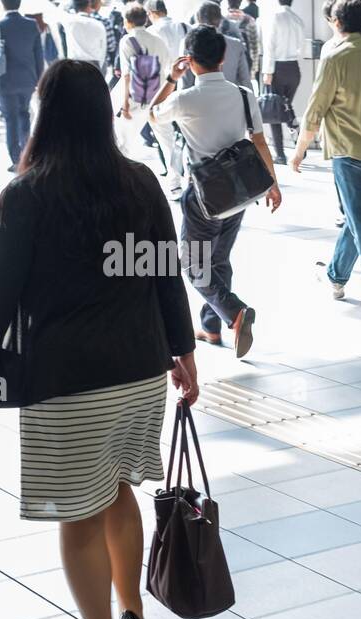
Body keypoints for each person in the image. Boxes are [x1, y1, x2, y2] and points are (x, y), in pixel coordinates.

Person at [0, 60, 199, 619]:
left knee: (77, 514)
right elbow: (167, 275)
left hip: (67, 384)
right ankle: (133, 614)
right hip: (140, 372)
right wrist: (184, 352)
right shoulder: (141, 182)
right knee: (118, 492)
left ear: (46, 113)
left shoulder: (27, 194)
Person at [149, 25, 279, 354]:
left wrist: (170, 79)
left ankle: (234, 313)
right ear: (223, 57)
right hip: (241, 192)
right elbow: (260, 142)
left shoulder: (184, 98)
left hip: (205, 196)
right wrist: (273, 186)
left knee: (193, 265)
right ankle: (211, 326)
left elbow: (152, 116)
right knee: (218, 260)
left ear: (189, 60)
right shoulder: (242, 94)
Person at [293, 0, 361, 318]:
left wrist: (299, 151)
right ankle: (335, 276)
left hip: (348, 152)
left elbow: (315, 109)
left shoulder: (335, 55)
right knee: (360, 218)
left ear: (338, 22)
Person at [0, 0, 43, 172]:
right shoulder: (31, 24)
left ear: (2, 5)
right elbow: (38, 55)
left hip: (5, 82)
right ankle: (27, 156)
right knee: (24, 115)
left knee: (11, 119)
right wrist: (39, 79)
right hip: (28, 80)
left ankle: (16, 160)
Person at [113, 3, 172, 160]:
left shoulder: (127, 40)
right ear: (146, 20)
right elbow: (167, 68)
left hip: (135, 98)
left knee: (123, 143)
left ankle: (121, 177)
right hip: (157, 97)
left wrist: (124, 105)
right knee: (167, 142)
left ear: (128, 21)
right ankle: (175, 181)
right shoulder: (158, 40)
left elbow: (126, 75)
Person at [260, 0, 304, 164]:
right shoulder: (297, 19)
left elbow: (269, 46)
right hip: (294, 68)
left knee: (274, 110)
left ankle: (280, 154)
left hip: (277, 67)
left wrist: (268, 71)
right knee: (286, 108)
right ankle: (301, 145)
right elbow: (301, 47)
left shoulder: (275, 17)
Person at [179, 1, 251, 88]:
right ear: (220, 20)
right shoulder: (236, 44)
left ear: (198, 18)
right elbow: (245, 81)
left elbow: (185, 82)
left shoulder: (188, 42)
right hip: (231, 98)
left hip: (198, 98)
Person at [56, 0, 110, 70]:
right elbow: (103, 48)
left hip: (75, 64)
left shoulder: (69, 22)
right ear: (89, 4)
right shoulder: (98, 24)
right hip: (94, 64)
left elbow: (59, 12)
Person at [225, 0, 259, 72]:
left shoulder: (222, 20)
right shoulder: (249, 20)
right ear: (240, 3)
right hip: (245, 62)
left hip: (226, 62)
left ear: (228, 2)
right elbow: (254, 46)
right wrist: (254, 68)